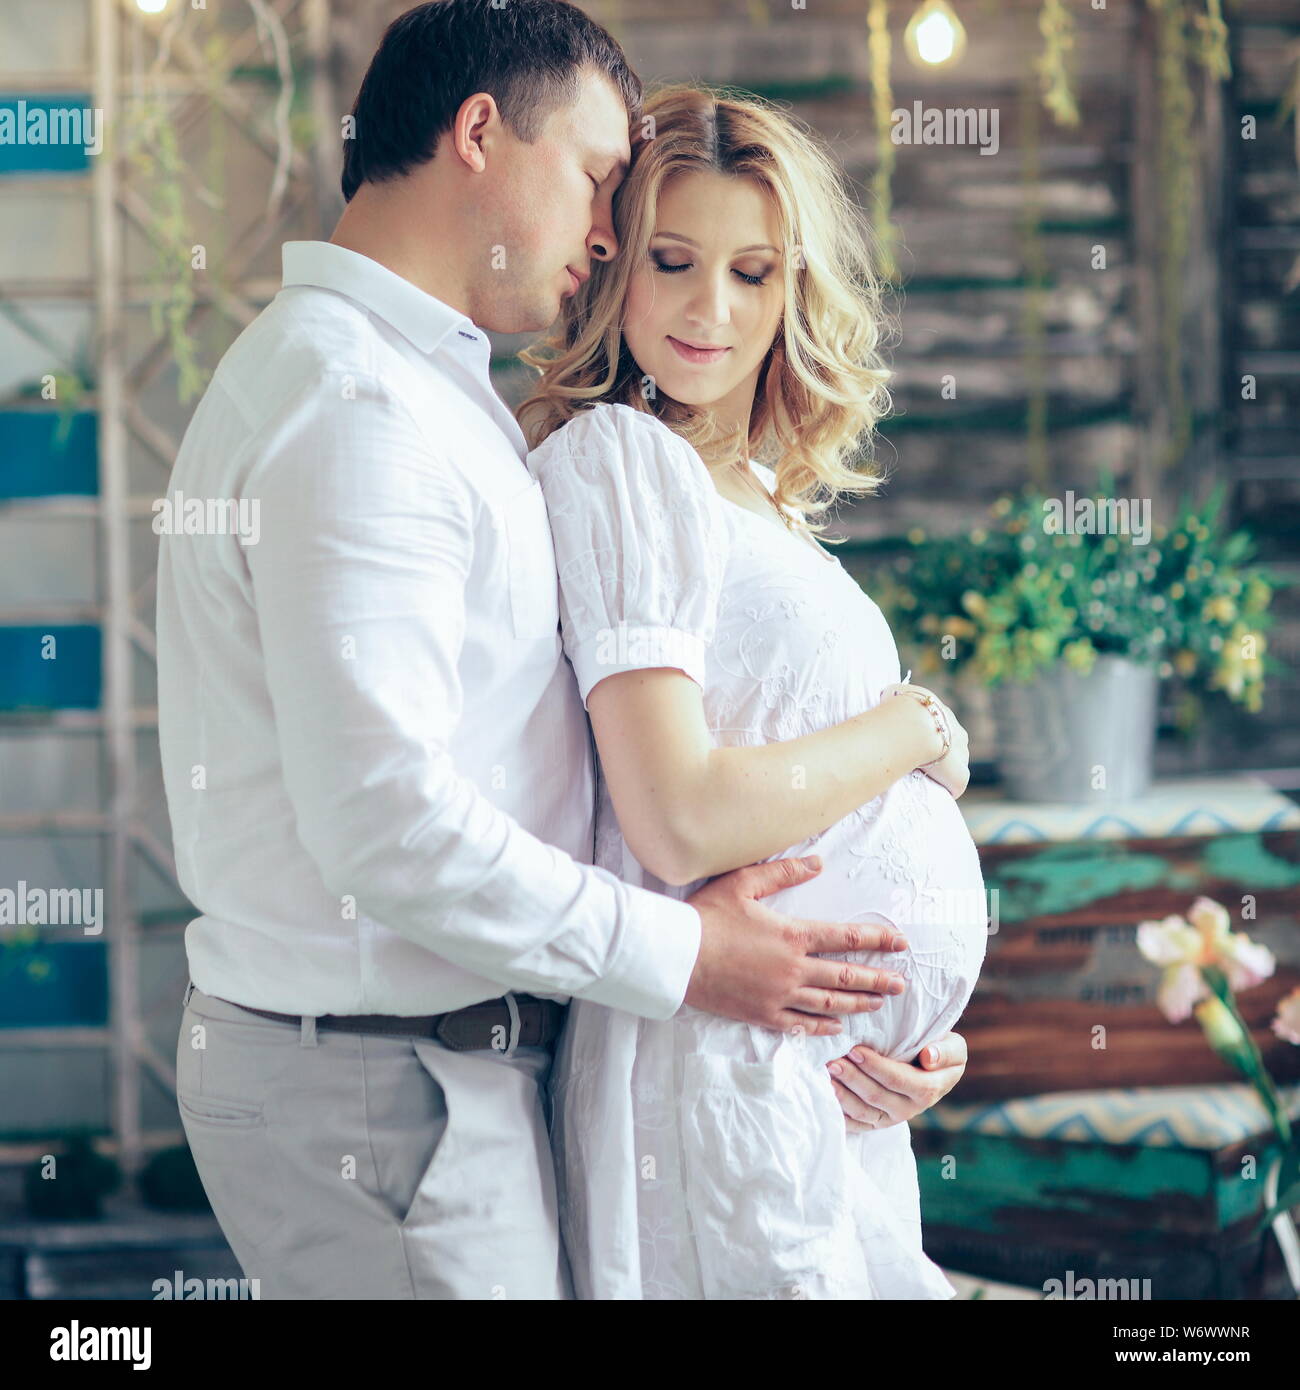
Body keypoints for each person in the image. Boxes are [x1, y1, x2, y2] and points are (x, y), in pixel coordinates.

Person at [156, 0, 970, 1300]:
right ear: (481, 133)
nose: (605, 233)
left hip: (469, 1058)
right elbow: (388, 823)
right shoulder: (362, 410)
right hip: (391, 1075)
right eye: (604, 183)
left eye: (753, 272)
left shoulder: (430, 391)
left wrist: (891, 1013)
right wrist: (694, 953)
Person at [519, 82, 989, 1299]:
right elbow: (680, 817)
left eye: (753, 272)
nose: (708, 310)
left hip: (816, 1083)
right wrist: (909, 725)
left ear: (794, 292)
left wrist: (914, 1043)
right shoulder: (620, 459)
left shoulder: (753, 495)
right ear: (612, 259)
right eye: (673, 261)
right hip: (716, 1064)